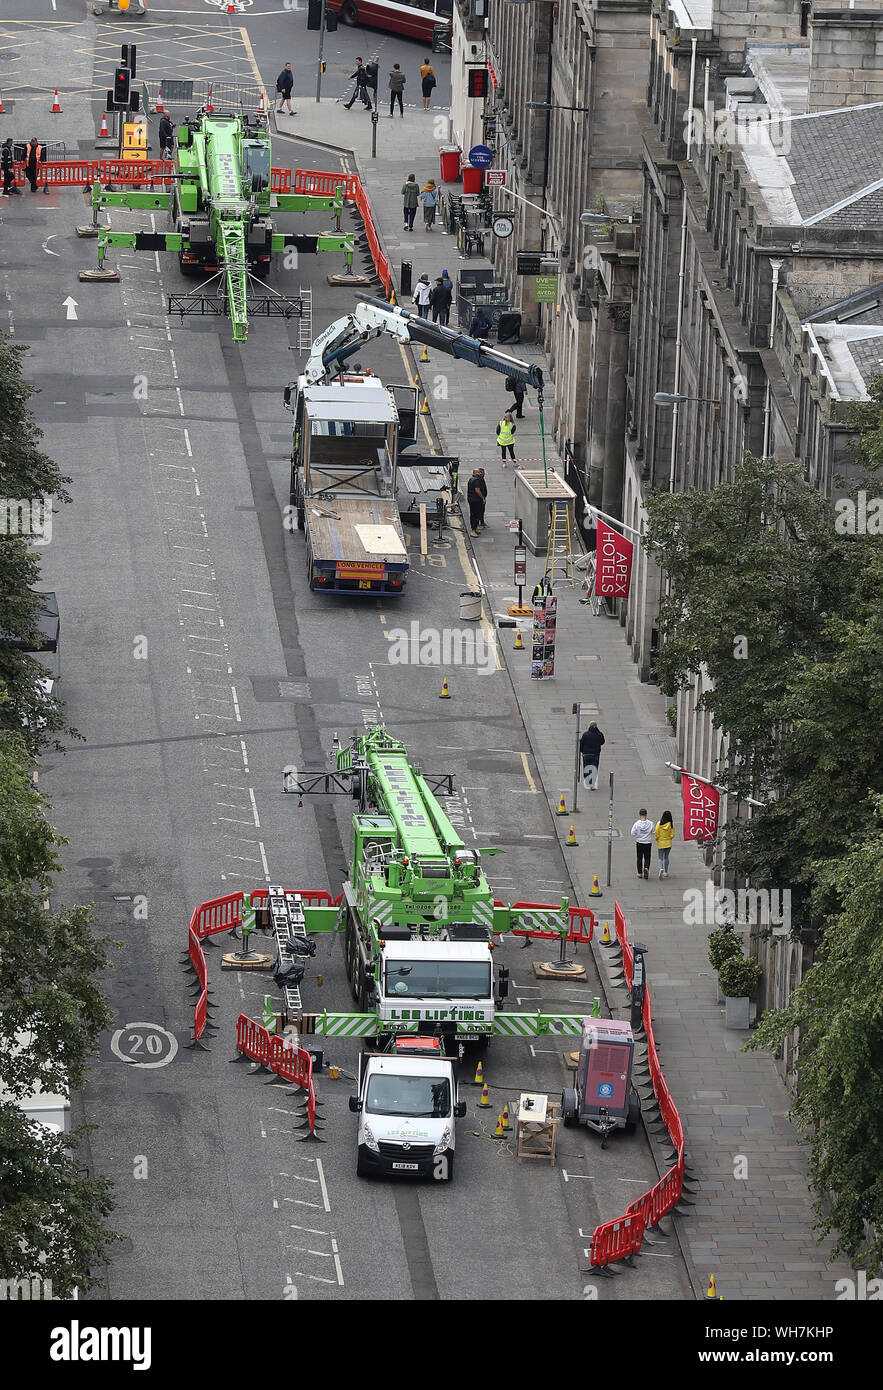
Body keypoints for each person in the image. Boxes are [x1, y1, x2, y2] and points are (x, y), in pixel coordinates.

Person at [579, 722, 605, 791]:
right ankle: (592, 783)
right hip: (595, 754)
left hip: (586, 754)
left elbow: (581, 744)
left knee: (586, 767)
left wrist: (581, 751)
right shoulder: (599, 734)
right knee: (594, 768)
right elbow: (602, 742)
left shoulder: (585, 734)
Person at [630, 809, 655, 880]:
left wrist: (638, 834)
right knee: (647, 858)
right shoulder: (650, 823)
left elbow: (632, 833)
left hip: (639, 842)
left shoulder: (636, 824)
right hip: (647, 843)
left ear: (639, 815)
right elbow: (654, 832)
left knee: (639, 858)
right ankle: (646, 868)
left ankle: (639, 873)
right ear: (646, 814)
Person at [467, 468, 487, 537]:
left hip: (474, 500)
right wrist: (483, 498)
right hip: (475, 500)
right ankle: (473, 531)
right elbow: (477, 490)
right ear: (474, 473)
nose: (480, 473)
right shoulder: (476, 480)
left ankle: (475, 529)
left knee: (476, 515)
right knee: (475, 515)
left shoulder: (473, 479)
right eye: (478, 472)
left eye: (481, 472)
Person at [655, 810, 675, 878]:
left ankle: (661, 868)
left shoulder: (659, 823)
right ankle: (666, 872)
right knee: (666, 857)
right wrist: (669, 838)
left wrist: (657, 838)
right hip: (668, 843)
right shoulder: (671, 824)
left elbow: (657, 833)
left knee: (660, 857)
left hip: (661, 843)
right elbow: (672, 835)